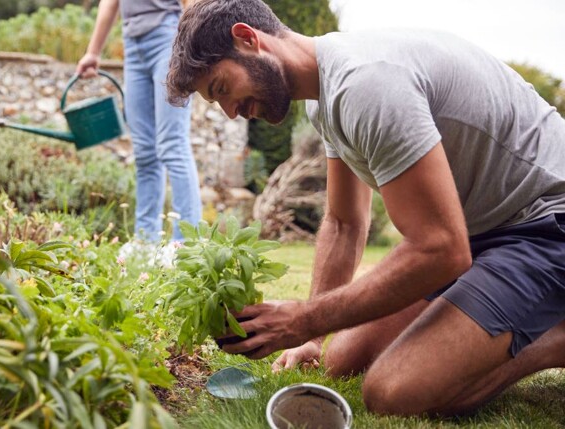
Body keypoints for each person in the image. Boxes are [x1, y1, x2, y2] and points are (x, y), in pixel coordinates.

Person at [165, 0, 565, 417]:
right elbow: (344, 223)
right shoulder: (325, 97)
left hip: (547, 222)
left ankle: (556, 338)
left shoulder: (366, 83)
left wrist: (303, 318)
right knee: (342, 358)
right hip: (485, 229)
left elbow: (441, 249)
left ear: (248, 40)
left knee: (393, 392)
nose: (232, 113)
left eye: (222, 89)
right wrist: (312, 337)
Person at [77, 0, 202, 250]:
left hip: (168, 37)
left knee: (171, 144)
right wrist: (93, 51)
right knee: (145, 152)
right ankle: (145, 242)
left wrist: (190, 46)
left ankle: (186, 243)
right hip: (132, 43)